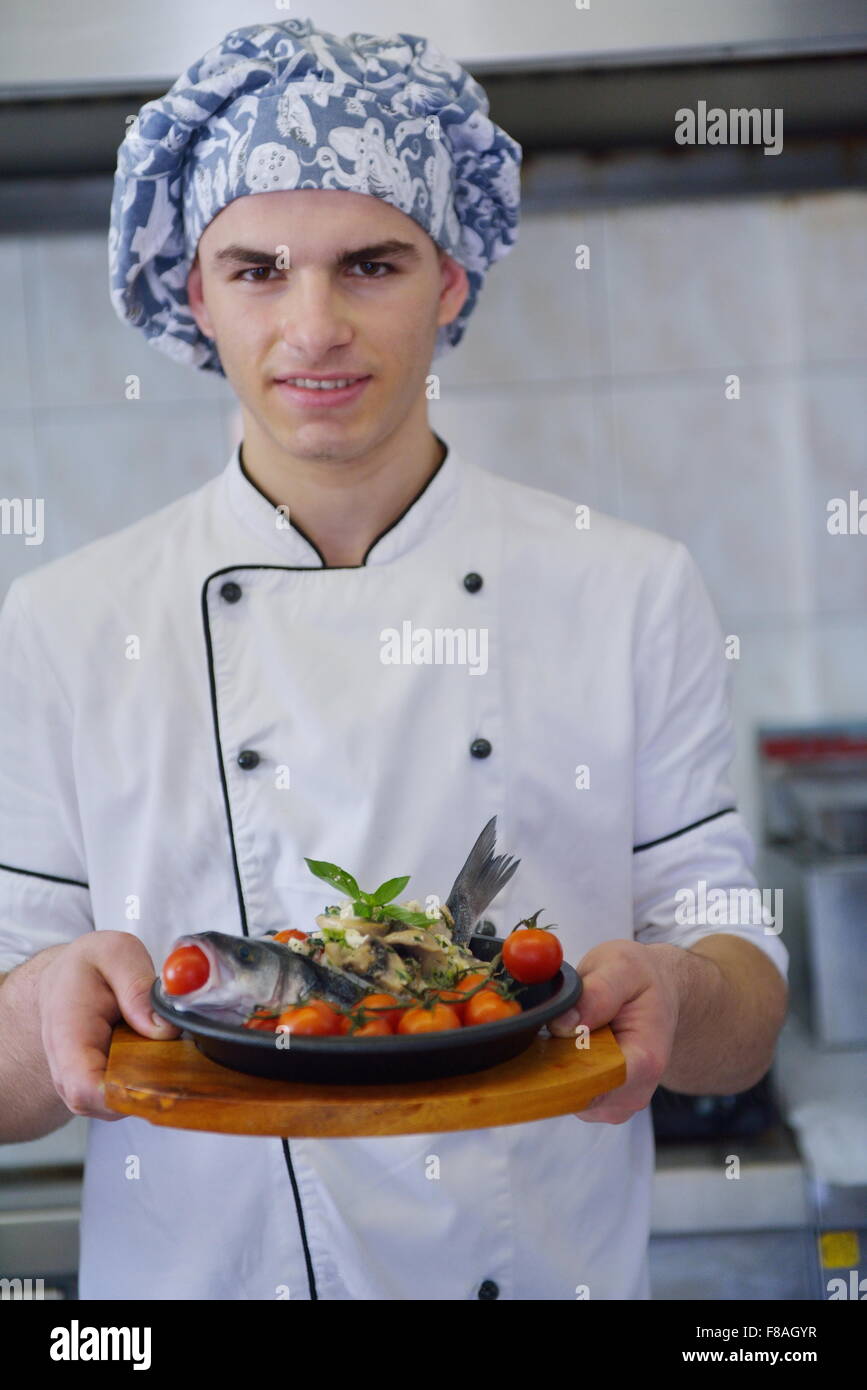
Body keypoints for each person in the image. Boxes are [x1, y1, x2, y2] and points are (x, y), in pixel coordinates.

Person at [0, 17, 787, 1301]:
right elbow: (6, 1093)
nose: (313, 327)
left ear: (453, 280)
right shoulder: (65, 622)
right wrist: (43, 1009)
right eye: (257, 269)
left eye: (370, 264)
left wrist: (681, 995)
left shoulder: (629, 589)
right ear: (195, 291)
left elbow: (743, 1005)